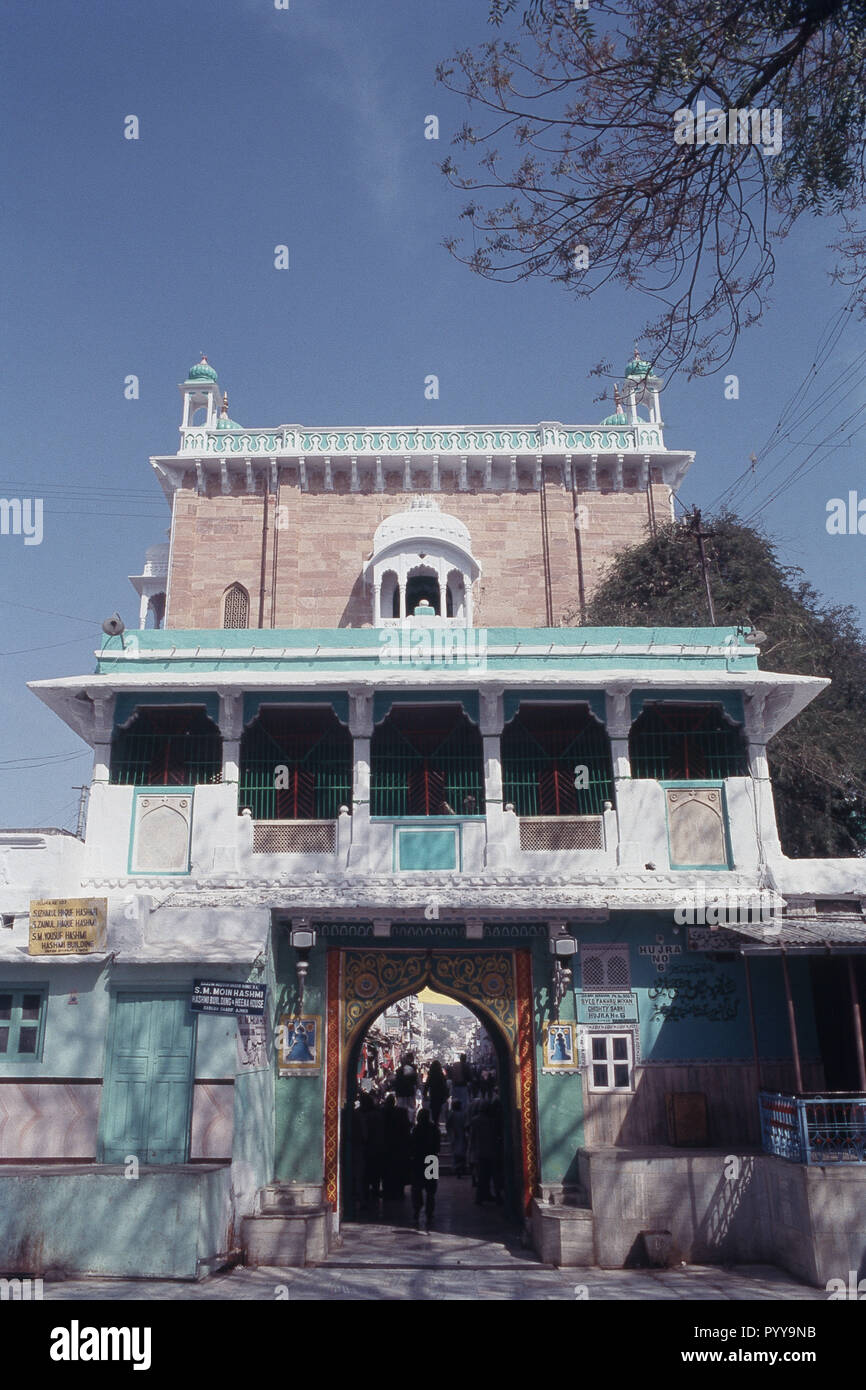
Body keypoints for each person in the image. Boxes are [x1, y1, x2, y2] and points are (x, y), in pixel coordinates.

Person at [409, 1107, 440, 1227]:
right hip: (431, 1160)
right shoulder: (434, 1129)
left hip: (418, 1161)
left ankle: (417, 1209)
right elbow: (437, 1147)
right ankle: (429, 1212)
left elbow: (412, 1146)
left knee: (416, 1188)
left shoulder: (416, 1130)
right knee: (431, 1190)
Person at [382, 1093, 411, 1200]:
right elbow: (406, 1127)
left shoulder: (382, 1112)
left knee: (388, 1170)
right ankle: (399, 1190)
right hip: (399, 1146)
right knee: (398, 1170)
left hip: (387, 1145)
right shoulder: (401, 1112)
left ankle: (388, 1191)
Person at [446, 1097, 468, 1177]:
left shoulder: (452, 1114)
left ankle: (458, 1168)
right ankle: (461, 1168)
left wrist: (450, 1133)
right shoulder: (463, 1114)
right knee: (461, 1152)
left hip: (455, 1135)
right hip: (460, 1134)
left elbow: (448, 1125)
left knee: (456, 1153)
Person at [424, 1058, 449, 1128]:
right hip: (440, 1093)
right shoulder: (441, 1075)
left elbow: (427, 1084)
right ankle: (436, 1120)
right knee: (438, 1107)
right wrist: (446, 1094)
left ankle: (435, 1120)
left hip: (433, 1092)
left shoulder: (431, 1074)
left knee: (434, 1107)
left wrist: (425, 1093)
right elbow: (444, 1085)